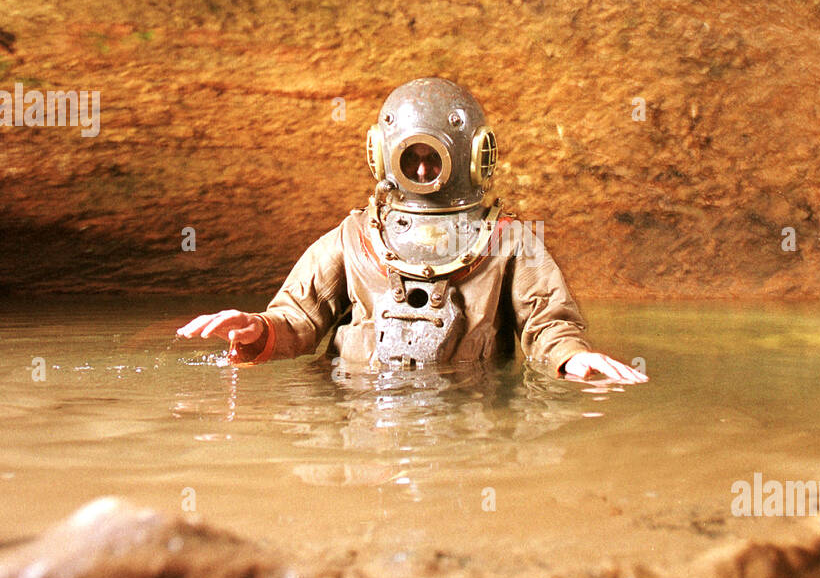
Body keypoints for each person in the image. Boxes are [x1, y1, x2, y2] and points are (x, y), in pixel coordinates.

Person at [177, 77, 646, 383]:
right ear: (383, 157)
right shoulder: (355, 238)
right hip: (363, 418)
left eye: (434, 158)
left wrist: (571, 357)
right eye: (411, 158)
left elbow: (548, 321)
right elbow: (298, 319)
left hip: (468, 420)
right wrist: (256, 330)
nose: (423, 173)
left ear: (474, 156)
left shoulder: (507, 241)